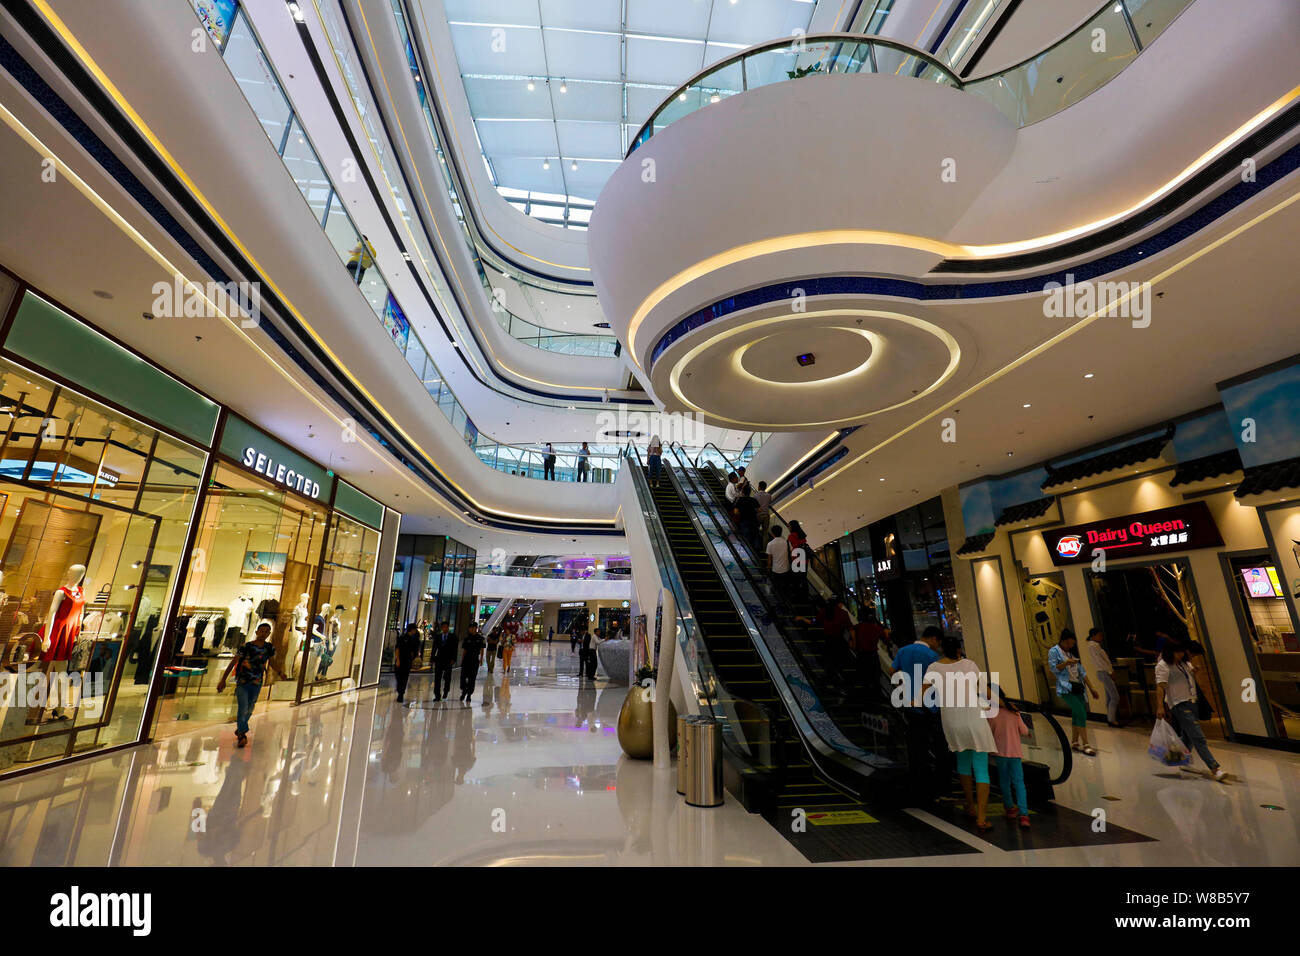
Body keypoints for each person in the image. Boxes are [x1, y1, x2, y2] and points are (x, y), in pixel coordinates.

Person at [928, 635, 997, 830]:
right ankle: (982, 818)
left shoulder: (934, 668)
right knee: (981, 768)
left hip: (952, 722)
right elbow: (985, 691)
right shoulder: (969, 665)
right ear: (959, 649)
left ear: (942, 649)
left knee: (963, 763)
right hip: (974, 719)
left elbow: (923, 692)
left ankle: (970, 805)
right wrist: (1005, 704)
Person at [1155, 641, 1227, 781]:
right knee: (1198, 737)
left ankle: (1176, 758)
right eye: (1178, 652)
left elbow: (1189, 678)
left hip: (1192, 702)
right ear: (1171, 652)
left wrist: (1194, 672)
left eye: (1182, 652)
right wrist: (1160, 706)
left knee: (1188, 737)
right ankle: (1214, 768)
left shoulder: (1183, 664)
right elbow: (1160, 687)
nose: (1181, 655)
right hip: (1179, 704)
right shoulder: (1163, 665)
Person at [891, 625, 944, 807]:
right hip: (928, 708)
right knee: (931, 744)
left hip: (908, 706)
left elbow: (892, 672)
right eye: (938, 643)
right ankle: (930, 786)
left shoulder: (904, 651)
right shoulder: (931, 656)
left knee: (914, 745)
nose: (937, 647)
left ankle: (915, 781)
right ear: (933, 639)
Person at [216, 621, 285, 747]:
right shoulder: (246, 646)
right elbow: (233, 662)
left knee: (250, 707)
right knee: (243, 706)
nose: (263, 634)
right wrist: (223, 679)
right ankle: (242, 733)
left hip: (257, 681)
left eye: (266, 632)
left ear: (269, 634)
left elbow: (272, 662)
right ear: (257, 632)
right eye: (261, 631)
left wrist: (280, 672)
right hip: (243, 681)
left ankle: (241, 728)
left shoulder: (269, 648)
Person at [1048, 629, 1099, 755]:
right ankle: (1086, 744)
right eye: (1068, 644)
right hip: (1066, 688)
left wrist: (1092, 688)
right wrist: (1066, 663)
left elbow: (1082, 672)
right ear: (1062, 641)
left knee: (1077, 714)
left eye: (1072, 644)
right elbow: (1053, 668)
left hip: (1077, 687)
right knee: (1081, 713)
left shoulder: (1071, 653)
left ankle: (1075, 741)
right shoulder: (1054, 651)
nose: (1070, 646)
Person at [987, 688, 1032, 828]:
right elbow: (1024, 731)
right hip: (1015, 753)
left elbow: (988, 732)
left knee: (1004, 781)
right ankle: (1024, 814)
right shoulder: (1014, 712)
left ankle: (1009, 808)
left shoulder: (990, 713)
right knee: (1019, 783)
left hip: (1000, 754)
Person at [1084, 626, 1121, 726]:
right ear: (1093, 636)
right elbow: (1101, 662)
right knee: (1115, 697)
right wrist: (1110, 671)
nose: (1101, 637)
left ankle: (1110, 718)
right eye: (1099, 635)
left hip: (1103, 672)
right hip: (1104, 673)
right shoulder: (1094, 646)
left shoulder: (1094, 645)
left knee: (1109, 696)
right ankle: (1112, 719)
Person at [389, 622, 421, 703]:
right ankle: (400, 690)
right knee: (399, 676)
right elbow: (397, 649)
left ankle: (401, 693)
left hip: (408, 661)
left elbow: (415, 651)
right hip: (401, 659)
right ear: (412, 630)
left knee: (404, 677)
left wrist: (415, 659)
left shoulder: (414, 640)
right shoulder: (402, 638)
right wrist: (398, 659)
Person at [431, 620, 457, 701]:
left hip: (448, 660)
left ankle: (446, 691)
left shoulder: (453, 637)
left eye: (446, 627)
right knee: (437, 678)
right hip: (439, 659)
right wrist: (432, 658)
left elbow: (455, 649)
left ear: (448, 628)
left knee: (447, 677)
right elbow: (434, 648)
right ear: (442, 628)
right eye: (443, 627)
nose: (445, 628)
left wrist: (453, 659)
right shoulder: (438, 637)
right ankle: (437, 695)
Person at [459, 622, 485, 703]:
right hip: (466, 660)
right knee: (463, 677)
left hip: (474, 660)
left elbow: (482, 649)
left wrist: (481, 659)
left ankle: (469, 694)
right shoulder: (467, 638)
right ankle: (464, 690)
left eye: (472, 628)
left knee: (472, 678)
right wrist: (462, 660)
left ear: (475, 628)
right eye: (469, 628)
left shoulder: (480, 638)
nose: (470, 629)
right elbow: (465, 650)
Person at [733, 484, 760, 553]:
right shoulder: (753, 500)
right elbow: (759, 510)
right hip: (754, 520)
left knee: (745, 536)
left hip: (744, 520)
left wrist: (742, 512)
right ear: (750, 492)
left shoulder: (740, 500)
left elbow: (735, 512)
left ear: (743, 492)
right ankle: (756, 550)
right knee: (755, 535)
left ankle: (747, 551)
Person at [765, 526, 791, 597]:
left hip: (775, 570)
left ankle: (779, 600)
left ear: (772, 533)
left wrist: (768, 568)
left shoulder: (770, 544)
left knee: (776, 588)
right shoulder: (785, 542)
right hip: (785, 568)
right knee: (785, 587)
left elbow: (769, 559)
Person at [787, 520, 809, 597]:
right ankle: (806, 595)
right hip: (804, 558)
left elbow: (795, 547)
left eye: (789, 526)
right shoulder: (801, 535)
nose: (788, 528)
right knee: (803, 578)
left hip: (797, 559)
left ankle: (798, 595)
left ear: (792, 527)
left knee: (795, 579)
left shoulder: (791, 535)